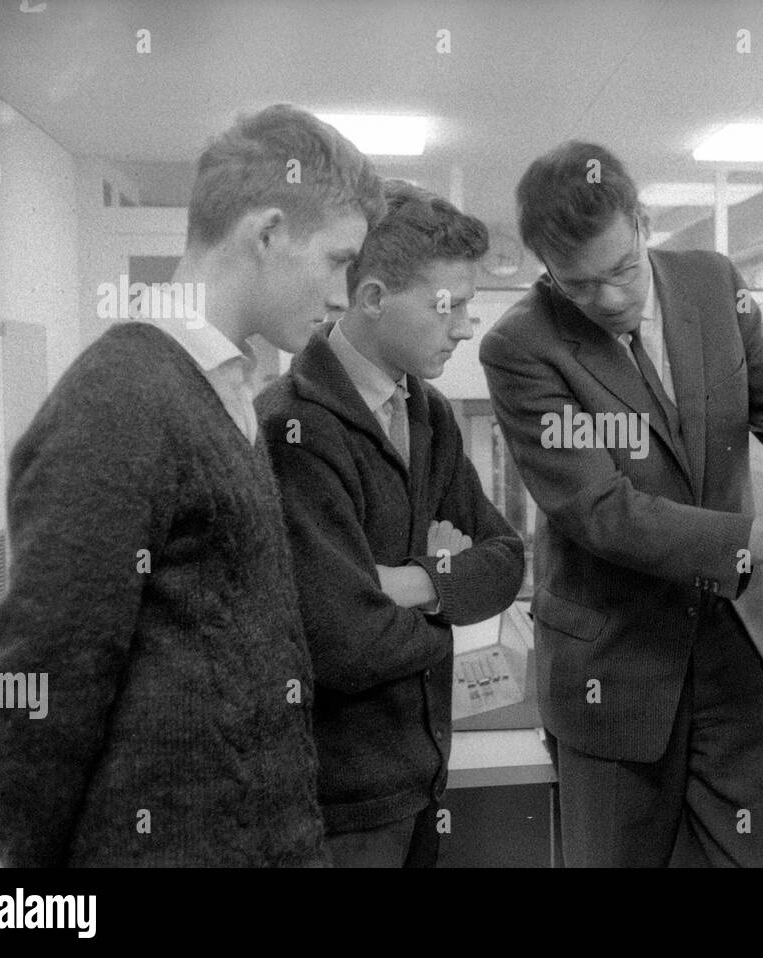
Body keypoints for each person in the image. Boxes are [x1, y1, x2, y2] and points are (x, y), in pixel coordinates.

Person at [480, 141, 763, 867]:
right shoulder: (520, 346)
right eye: (580, 286)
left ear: (644, 221)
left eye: (622, 269)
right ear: (546, 271)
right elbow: (603, 512)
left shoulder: (712, 284)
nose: (612, 299)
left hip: (733, 650)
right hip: (613, 668)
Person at [0, 104, 384, 866]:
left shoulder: (226, 390)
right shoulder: (124, 396)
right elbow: (37, 676)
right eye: (337, 260)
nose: (341, 296)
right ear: (266, 234)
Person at [257, 181, 525, 867]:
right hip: (336, 801)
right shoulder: (294, 425)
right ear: (373, 298)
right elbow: (341, 640)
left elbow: (505, 558)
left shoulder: (428, 414)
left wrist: (410, 584)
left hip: (421, 778)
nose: (466, 326)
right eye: (450, 306)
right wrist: (448, 596)